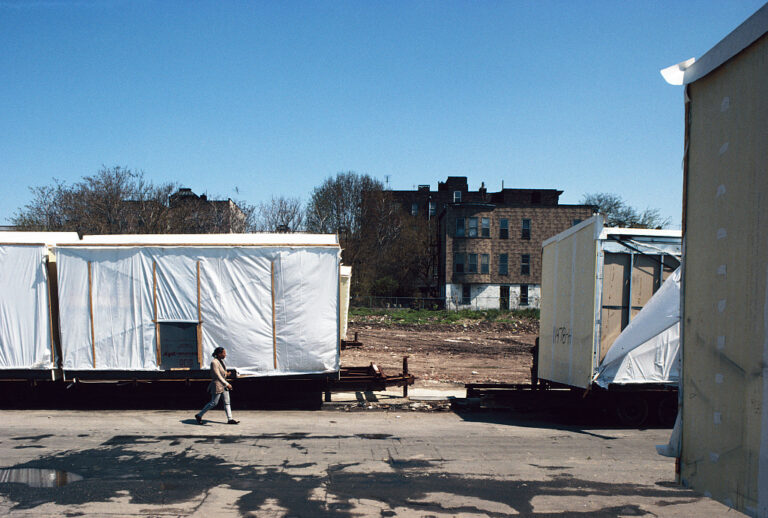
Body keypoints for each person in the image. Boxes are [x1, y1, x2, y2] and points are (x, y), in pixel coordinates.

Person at [195, 347, 239, 425]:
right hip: (217, 385)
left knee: (227, 402)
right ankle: (199, 415)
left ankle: (230, 419)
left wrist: (226, 374)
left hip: (223, 384)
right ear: (219, 354)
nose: (225, 355)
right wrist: (227, 384)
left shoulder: (221, 362)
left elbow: (222, 373)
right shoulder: (214, 362)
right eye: (224, 353)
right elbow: (218, 375)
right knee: (214, 403)